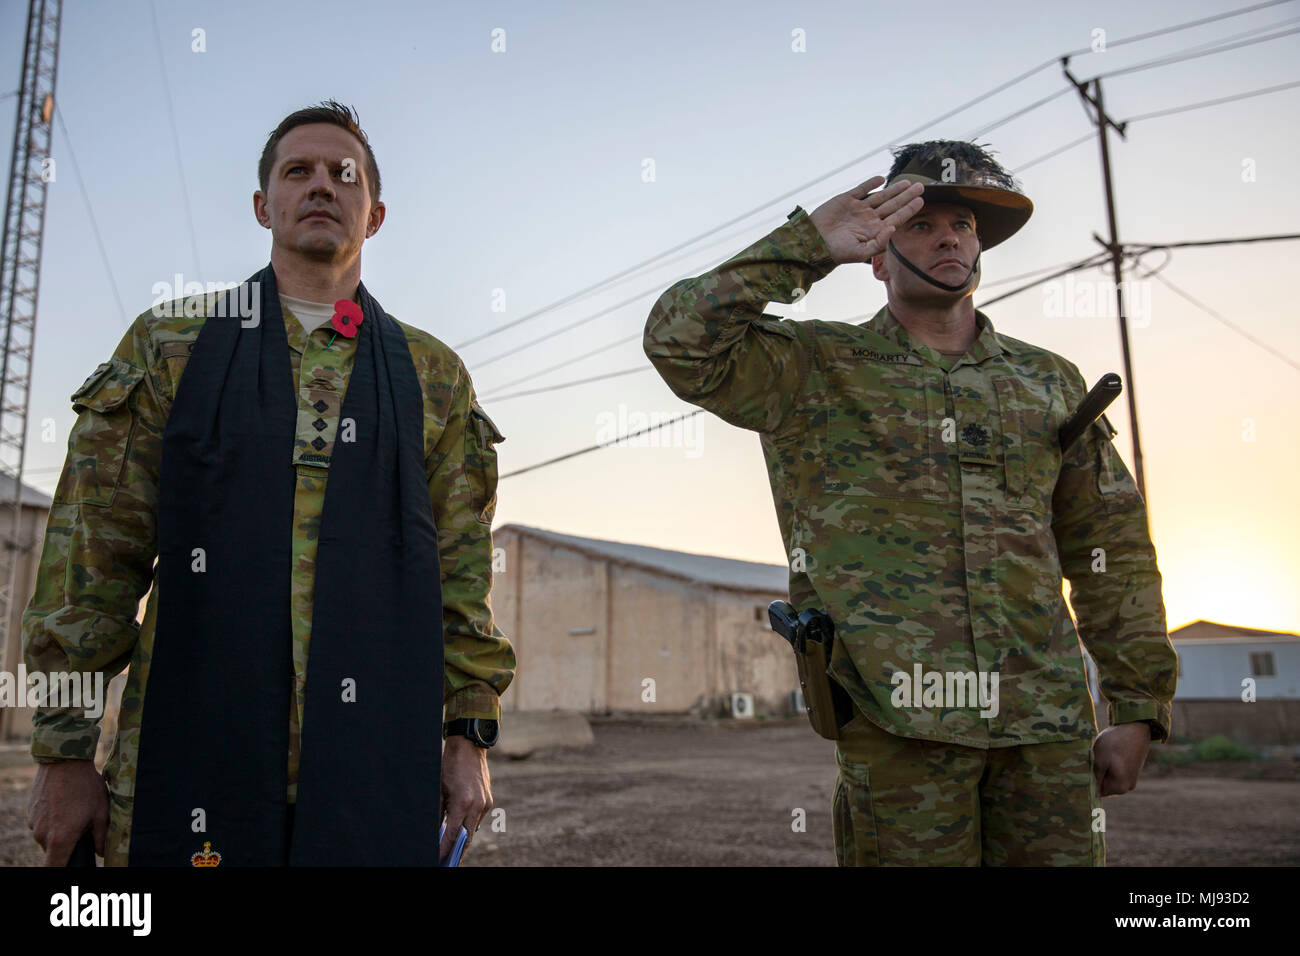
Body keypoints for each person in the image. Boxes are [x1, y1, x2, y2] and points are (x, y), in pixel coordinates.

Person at [643, 140, 1176, 866]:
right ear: (879, 256)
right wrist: (803, 247)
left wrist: (1139, 705)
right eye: (922, 224)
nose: (949, 236)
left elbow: (1110, 546)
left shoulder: (1048, 381)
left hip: (1043, 727)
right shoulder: (813, 369)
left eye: (962, 225)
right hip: (898, 722)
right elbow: (679, 343)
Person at [24, 101, 515, 866]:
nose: (322, 184)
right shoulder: (172, 347)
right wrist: (62, 754)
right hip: (187, 757)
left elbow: (460, 574)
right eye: (298, 171)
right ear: (264, 204)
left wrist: (468, 734)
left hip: (375, 767)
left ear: (374, 213)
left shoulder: (431, 376)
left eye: (342, 174)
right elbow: (90, 562)